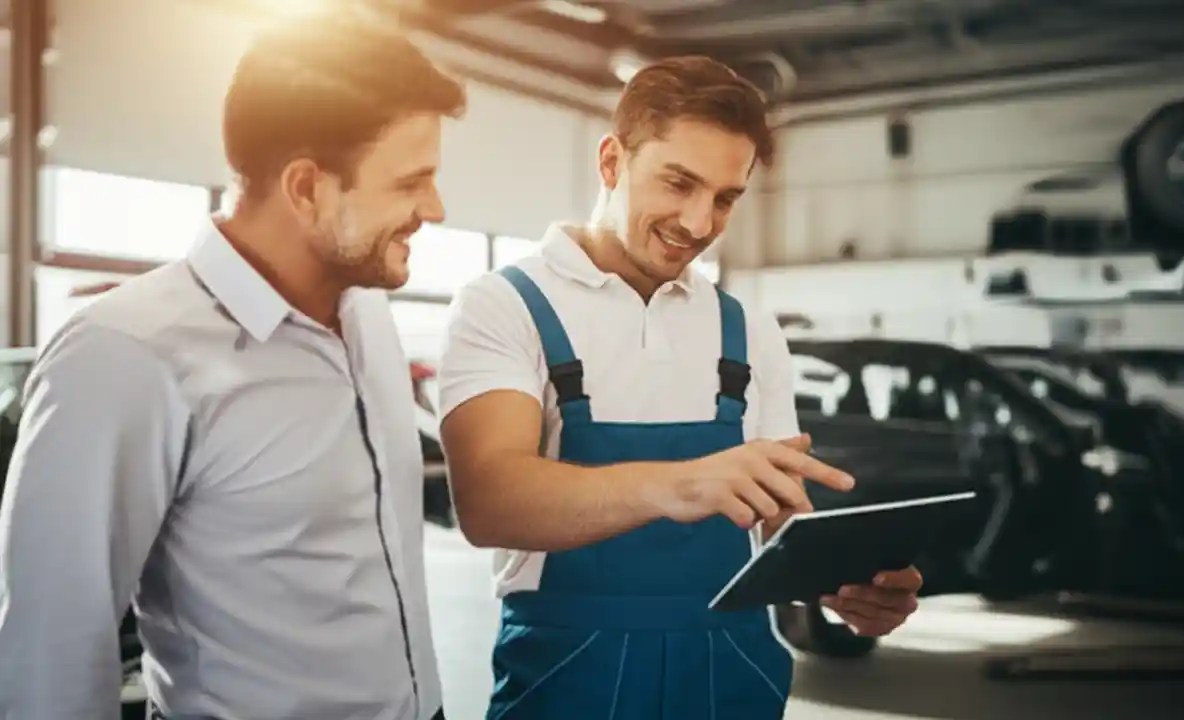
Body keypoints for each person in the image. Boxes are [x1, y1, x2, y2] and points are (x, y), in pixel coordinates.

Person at [0, 9, 462, 720]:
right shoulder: (125, 356)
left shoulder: (365, 311)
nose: (435, 207)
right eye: (410, 182)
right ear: (306, 188)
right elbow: (49, 659)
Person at [438, 56, 923, 719]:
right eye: (678, 183)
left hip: (732, 674)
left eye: (725, 198)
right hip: (572, 675)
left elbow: (778, 516)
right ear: (612, 161)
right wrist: (681, 484)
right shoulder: (503, 305)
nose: (698, 224)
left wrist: (842, 582)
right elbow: (490, 502)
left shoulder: (747, 330)